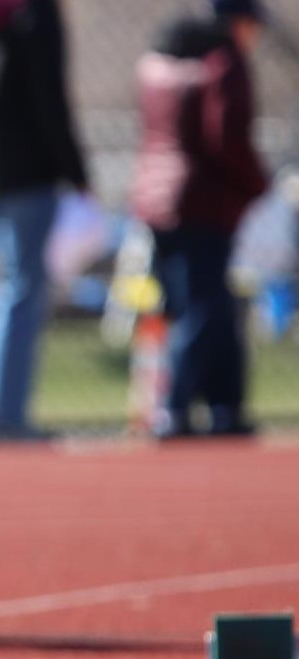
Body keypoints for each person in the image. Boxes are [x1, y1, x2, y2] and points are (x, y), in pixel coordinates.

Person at [0, 0, 91, 441]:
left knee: (10, 286)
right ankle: (6, 414)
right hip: (26, 170)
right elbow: (49, 96)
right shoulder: (36, 14)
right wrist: (77, 172)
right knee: (24, 289)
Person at [129, 0, 270, 439]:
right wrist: (257, 185)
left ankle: (224, 406)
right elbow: (226, 137)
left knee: (199, 303)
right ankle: (173, 407)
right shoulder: (223, 64)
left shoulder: (157, 64)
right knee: (203, 307)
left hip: (156, 198)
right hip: (203, 201)